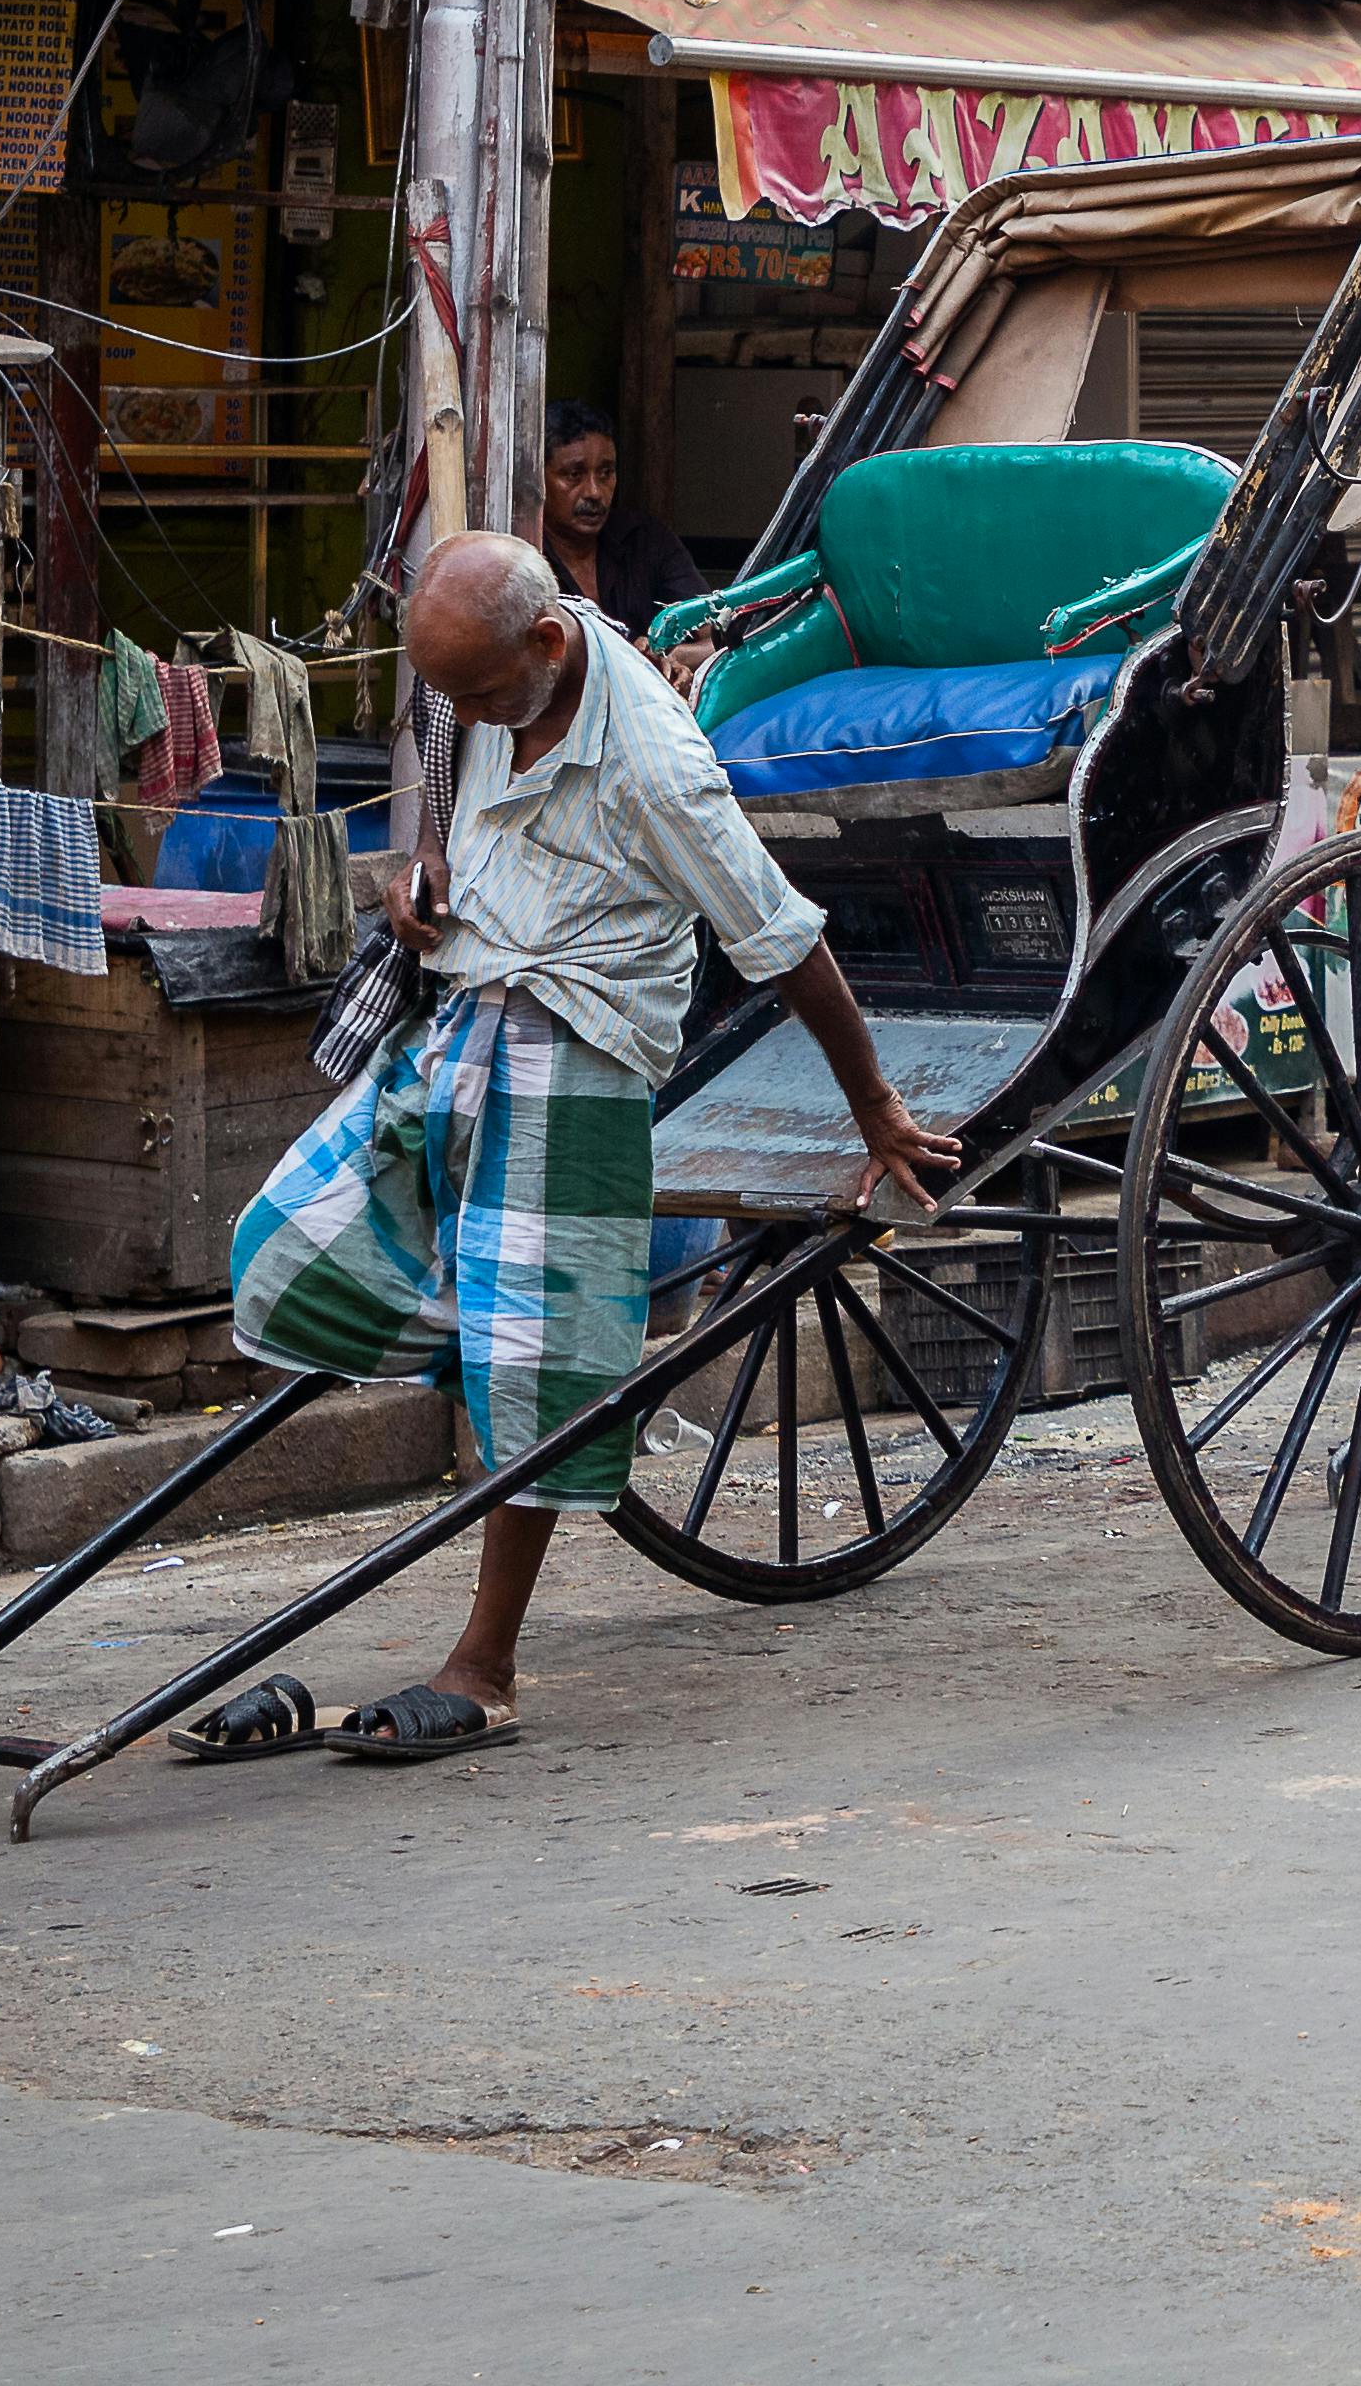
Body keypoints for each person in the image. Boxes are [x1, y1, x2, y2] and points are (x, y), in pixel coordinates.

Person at [196, 532, 955, 1762]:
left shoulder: (655, 766)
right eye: (451, 694)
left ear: (549, 645)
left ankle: (485, 1664)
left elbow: (781, 940)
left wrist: (874, 1108)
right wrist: (423, 859)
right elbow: (441, 742)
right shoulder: (484, 681)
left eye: (483, 693)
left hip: (579, 1053)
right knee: (284, 1254)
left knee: (537, 1369)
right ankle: (513, 1355)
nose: (465, 716)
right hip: (459, 1019)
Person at [541, 398, 717, 633]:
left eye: (605, 473)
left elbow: (714, 633)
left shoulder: (646, 539)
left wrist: (661, 651)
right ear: (539, 478)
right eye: (574, 475)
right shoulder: (525, 554)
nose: (594, 492)